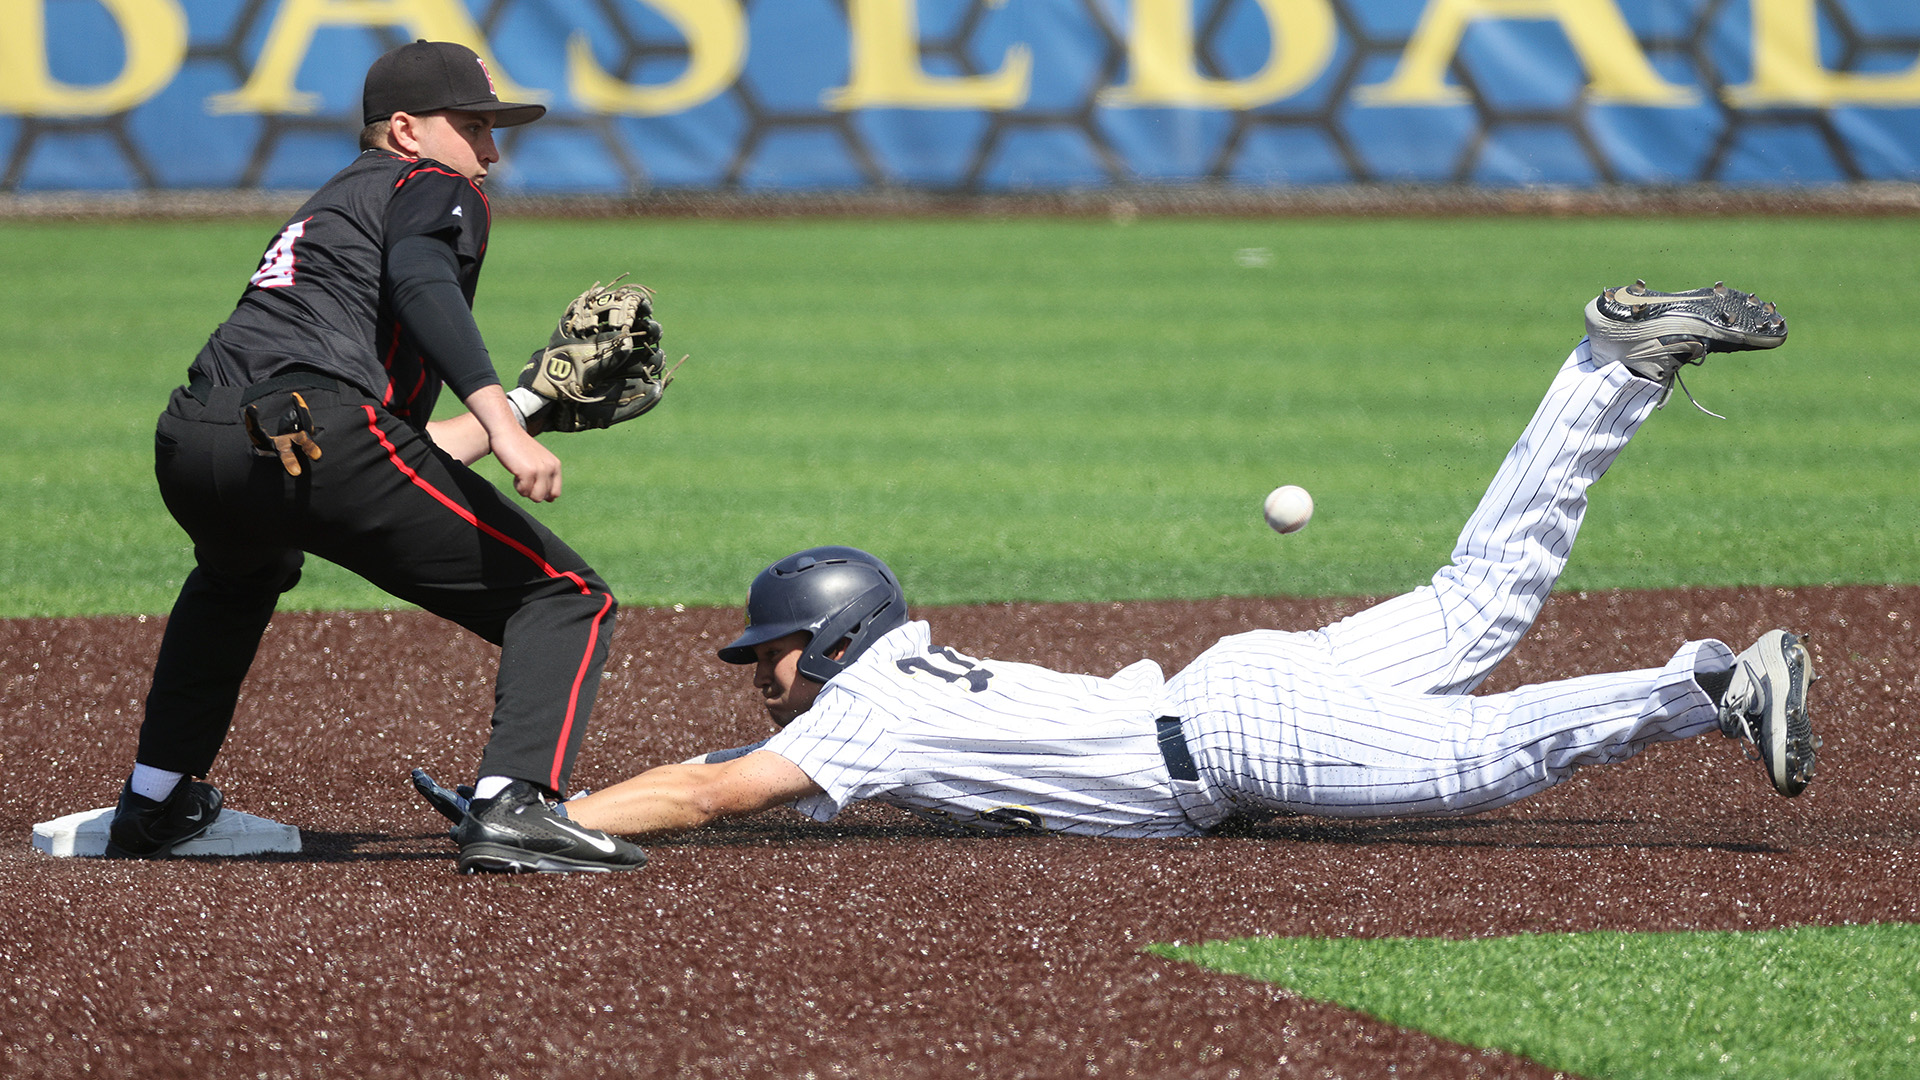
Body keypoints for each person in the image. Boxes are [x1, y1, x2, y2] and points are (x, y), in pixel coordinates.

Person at [418, 280, 1817, 843]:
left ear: (834, 638)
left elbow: (718, 789)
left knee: (1478, 759)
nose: (759, 672)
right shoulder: (900, 683)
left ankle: (1708, 683)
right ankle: (1606, 366)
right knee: (1480, 595)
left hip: (1241, 731)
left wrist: (553, 811)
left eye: (769, 649)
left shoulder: (873, 708)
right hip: (1241, 690)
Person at [108, 40, 646, 874]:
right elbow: (423, 282)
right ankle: (515, 806)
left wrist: (534, 398)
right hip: (316, 430)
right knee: (565, 598)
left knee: (238, 578)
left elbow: (392, 459)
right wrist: (503, 422)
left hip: (196, 437)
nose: (490, 153)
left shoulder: (330, 207)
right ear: (405, 130)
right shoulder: (430, 184)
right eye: (472, 126)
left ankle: (153, 802)